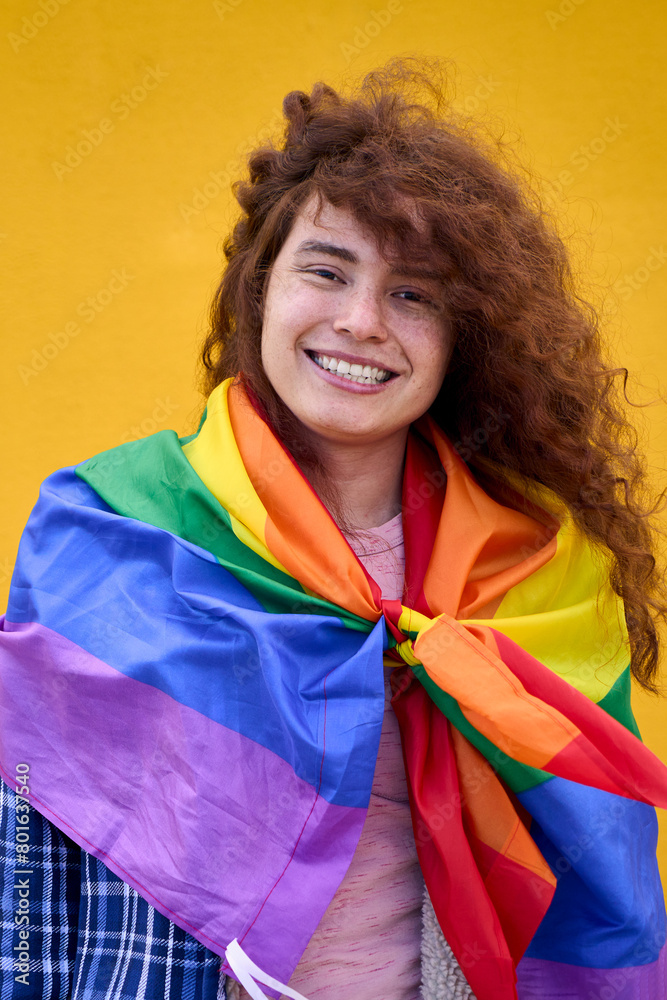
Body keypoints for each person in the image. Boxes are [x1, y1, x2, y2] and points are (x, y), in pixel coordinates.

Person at [1, 58, 667, 1000]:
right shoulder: (113, 526)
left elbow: (609, 883)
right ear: (260, 287)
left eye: (414, 295)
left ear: (460, 336)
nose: (360, 323)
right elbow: (25, 849)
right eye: (327, 270)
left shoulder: (538, 572)